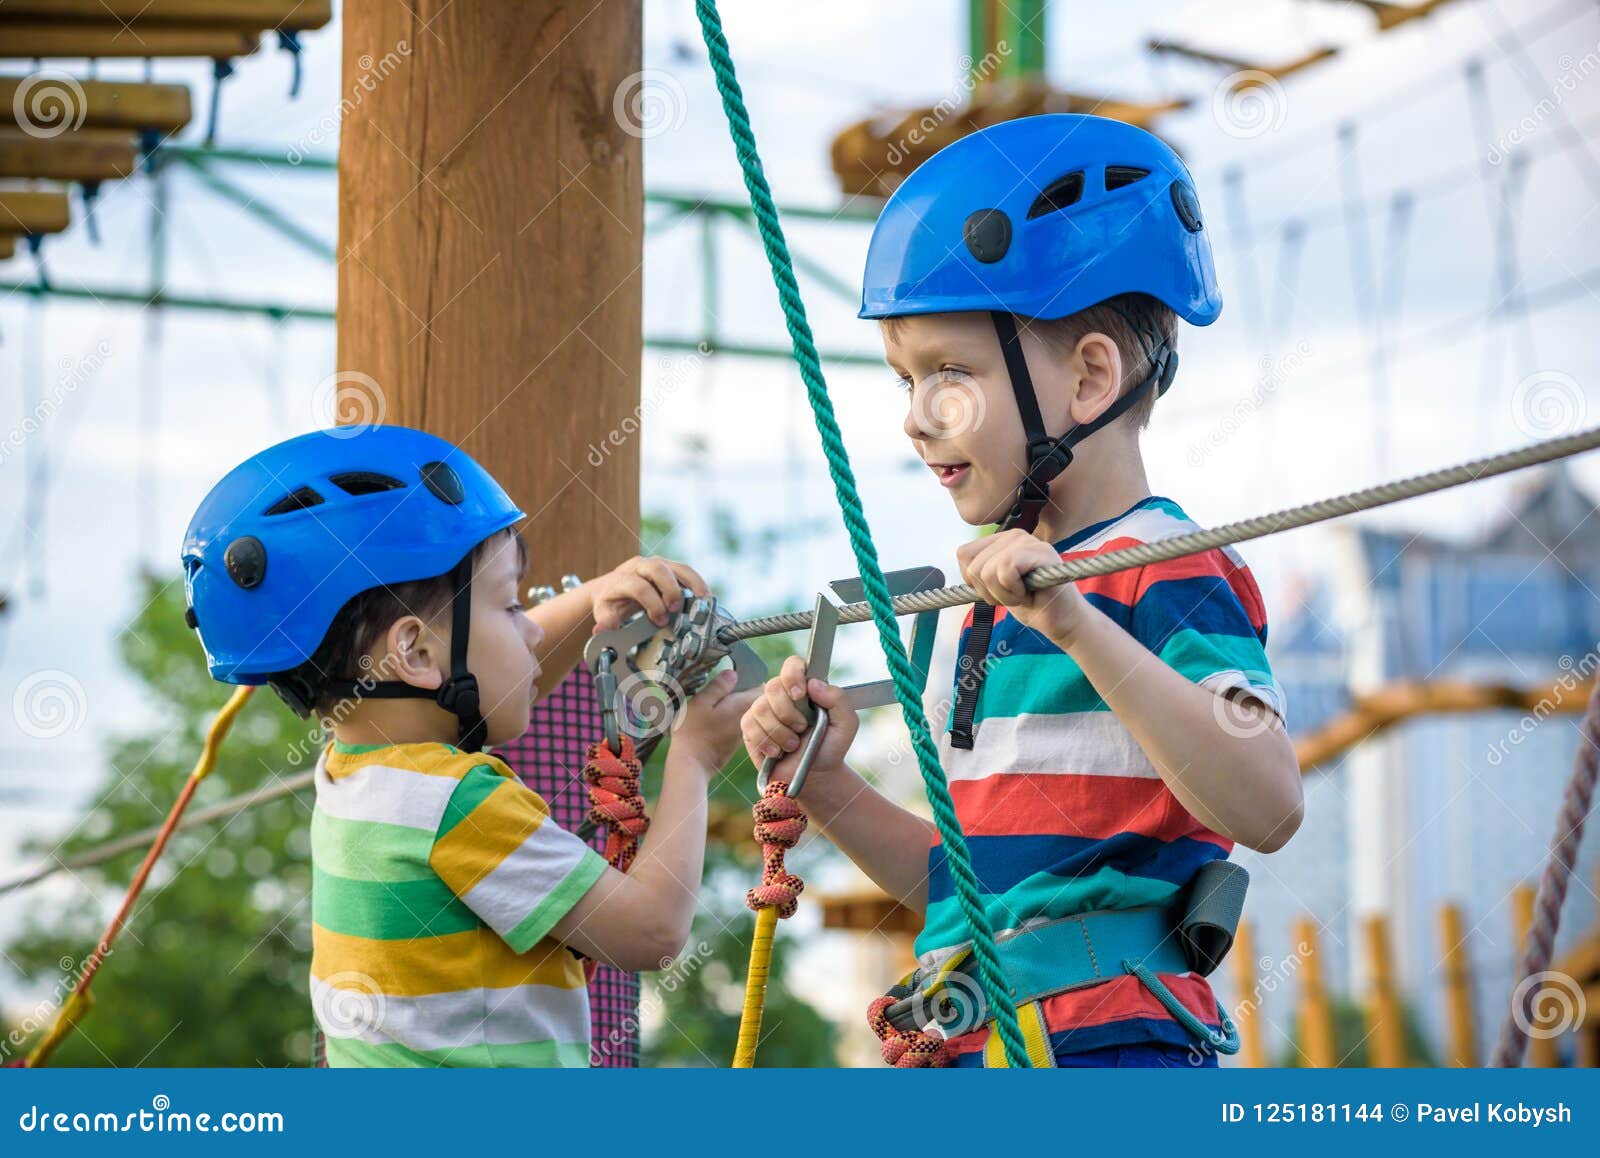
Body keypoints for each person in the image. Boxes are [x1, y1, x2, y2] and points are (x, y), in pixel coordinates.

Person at [741, 114, 1303, 1068]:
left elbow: (1268, 802)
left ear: (1089, 379)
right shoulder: (980, 605)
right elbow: (963, 889)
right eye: (904, 382)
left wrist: (1078, 625)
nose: (918, 421)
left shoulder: (1165, 563)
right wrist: (826, 786)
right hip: (975, 1038)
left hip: (1112, 1044)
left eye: (949, 376)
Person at [183, 424, 752, 1066]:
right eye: (510, 606)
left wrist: (596, 598)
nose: (532, 634)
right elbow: (653, 931)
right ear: (415, 652)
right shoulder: (460, 805)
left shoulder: (358, 774)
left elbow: (484, 669)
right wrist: (694, 760)